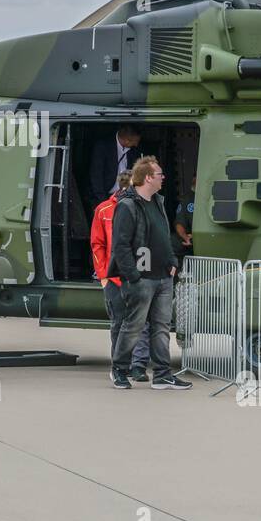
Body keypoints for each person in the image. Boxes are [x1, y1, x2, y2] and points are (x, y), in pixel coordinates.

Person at [106, 156, 191, 390]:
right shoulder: (127, 205)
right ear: (147, 178)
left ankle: (162, 374)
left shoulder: (158, 202)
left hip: (163, 276)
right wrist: (132, 275)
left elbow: (163, 234)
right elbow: (120, 245)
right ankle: (119, 370)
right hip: (141, 278)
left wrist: (172, 261)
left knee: (162, 326)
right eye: (160, 174)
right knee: (133, 325)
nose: (163, 178)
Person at [90, 170, 151, 382]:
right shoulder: (103, 210)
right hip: (114, 278)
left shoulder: (145, 207)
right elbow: (97, 244)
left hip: (139, 275)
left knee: (142, 322)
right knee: (118, 323)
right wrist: (103, 276)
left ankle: (139, 365)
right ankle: (119, 367)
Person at [88, 124, 143, 212]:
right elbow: (96, 176)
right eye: (134, 141)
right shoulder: (103, 146)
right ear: (126, 140)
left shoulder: (134, 150)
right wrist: (104, 203)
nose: (136, 145)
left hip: (124, 198)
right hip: (103, 197)